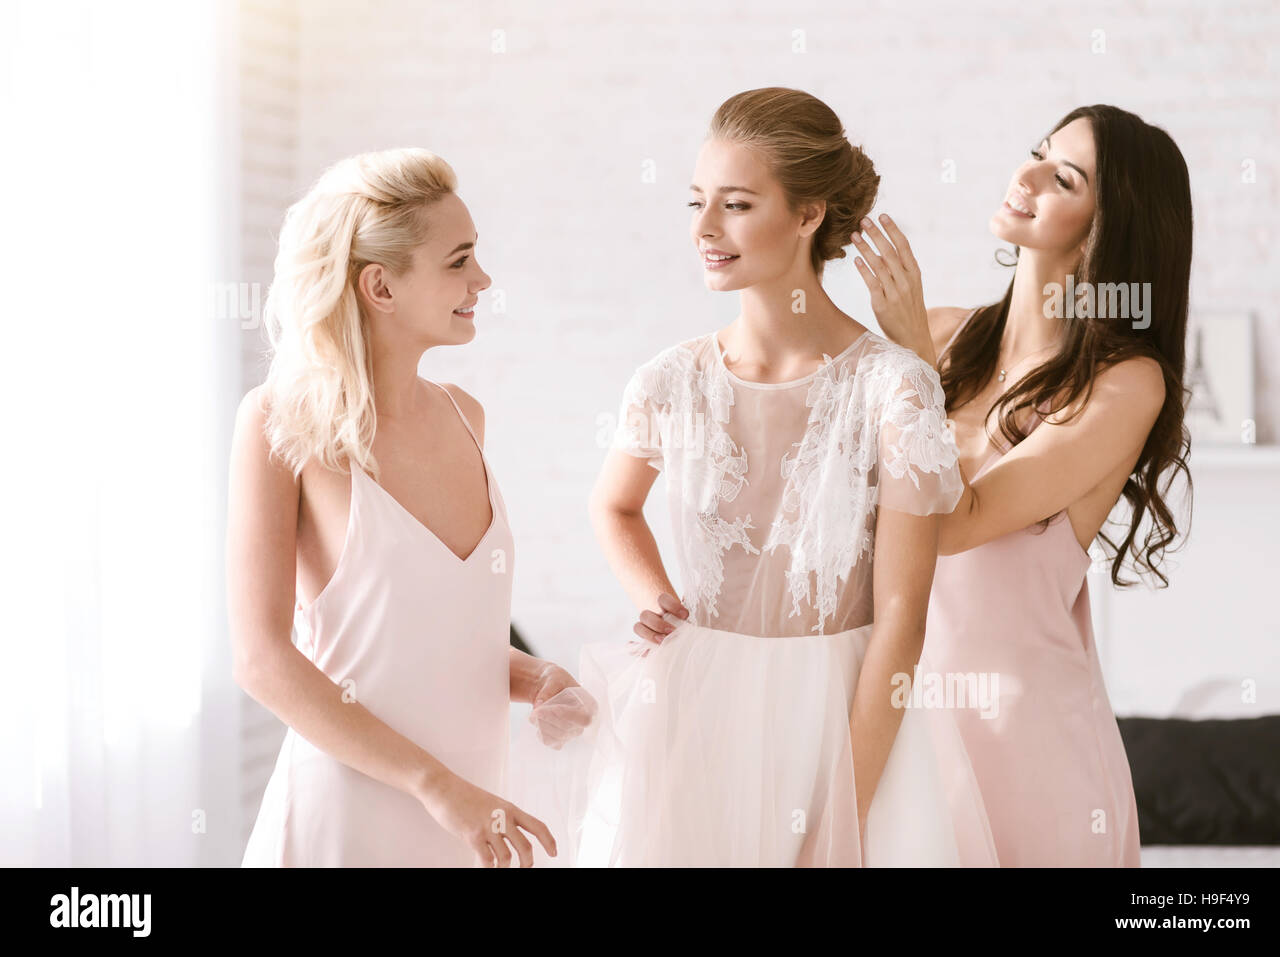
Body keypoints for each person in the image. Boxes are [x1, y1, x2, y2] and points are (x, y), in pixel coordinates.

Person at [565, 88, 999, 866]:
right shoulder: (669, 381)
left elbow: (903, 622)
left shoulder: (893, 387)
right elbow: (613, 505)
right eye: (697, 202)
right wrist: (653, 597)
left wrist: (842, 819)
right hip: (695, 718)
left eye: (734, 205)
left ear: (808, 215)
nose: (703, 230)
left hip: (846, 724)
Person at [851, 105, 1192, 865]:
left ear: (1106, 229)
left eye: (1063, 177)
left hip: (1029, 746)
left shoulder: (1125, 384)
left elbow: (952, 519)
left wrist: (907, 355)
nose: (1026, 175)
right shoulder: (940, 333)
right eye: (1036, 152)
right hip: (905, 726)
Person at [229, 147, 584, 867]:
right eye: (459, 261)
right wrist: (436, 785)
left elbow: (436, 638)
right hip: (350, 818)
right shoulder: (279, 422)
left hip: (472, 818)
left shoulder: (466, 417)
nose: (482, 280)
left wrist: (534, 676)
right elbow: (262, 661)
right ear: (381, 287)